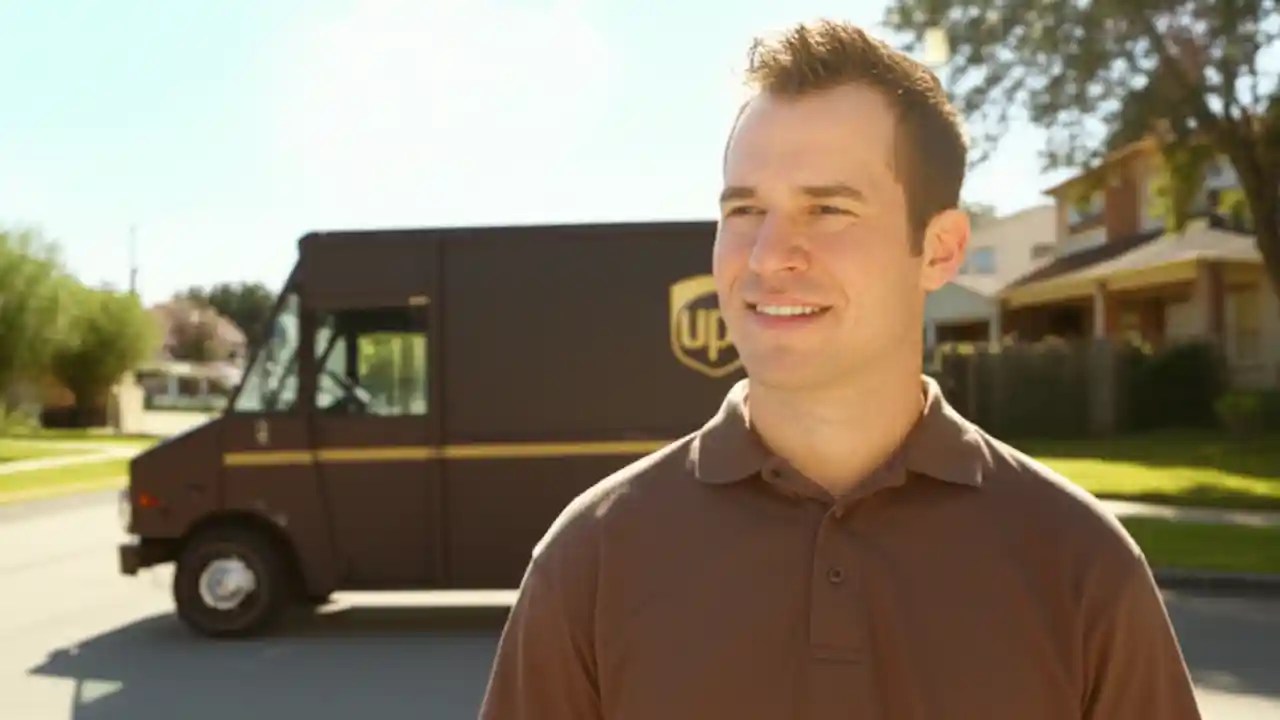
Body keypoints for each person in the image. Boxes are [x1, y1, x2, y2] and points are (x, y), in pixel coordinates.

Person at [479, 19, 1202, 720]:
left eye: (826, 208)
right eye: (744, 210)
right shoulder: (593, 560)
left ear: (942, 249)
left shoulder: (1080, 565)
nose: (767, 256)